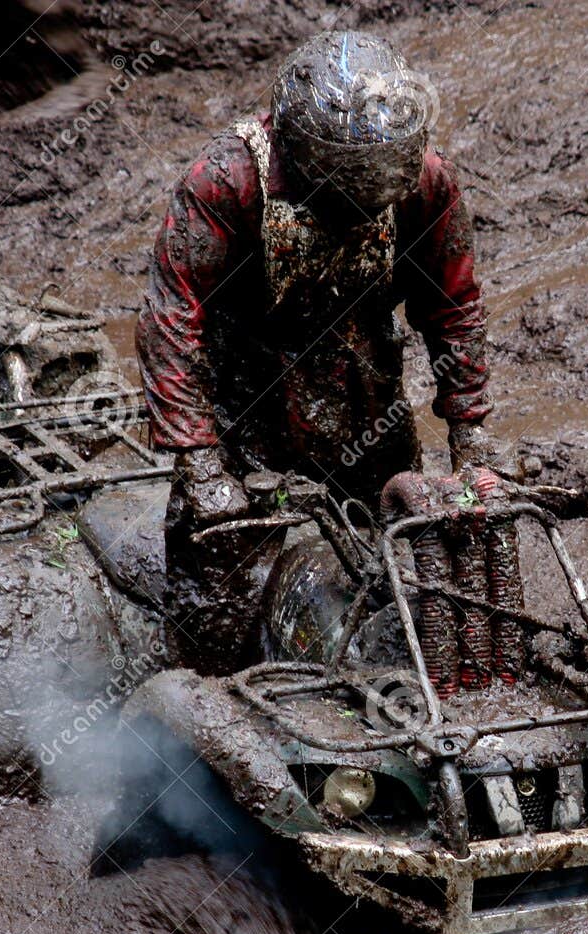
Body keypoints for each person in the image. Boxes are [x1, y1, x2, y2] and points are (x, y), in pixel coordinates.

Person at [137, 30, 514, 673]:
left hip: (366, 400)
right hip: (243, 405)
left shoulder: (424, 183)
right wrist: (200, 464)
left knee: (394, 570)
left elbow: (452, 309)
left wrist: (471, 438)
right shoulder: (225, 182)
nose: (361, 211)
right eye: (348, 192)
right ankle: (208, 716)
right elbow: (172, 322)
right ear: (300, 151)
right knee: (220, 591)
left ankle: (388, 708)